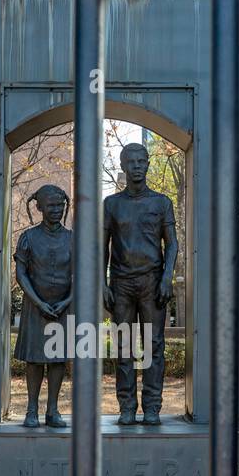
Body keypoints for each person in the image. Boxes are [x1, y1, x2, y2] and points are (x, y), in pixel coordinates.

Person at [103, 142, 178, 425]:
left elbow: (172, 245)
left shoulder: (162, 203)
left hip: (152, 282)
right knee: (123, 347)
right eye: (130, 162)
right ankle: (126, 407)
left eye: (141, 161)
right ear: (122, 166)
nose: (136, 166)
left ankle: (152, 407)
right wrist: (102, 283)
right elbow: (102, 248)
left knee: (154, 346)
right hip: (121, 283)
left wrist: (167, 277)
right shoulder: (111, 204)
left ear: (148, 164)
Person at [14, 184, 72, 428]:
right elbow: (21, 274)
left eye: (60, 205)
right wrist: (38, 302)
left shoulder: (73, 239)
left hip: (63, 307)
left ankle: (53, 410)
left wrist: (66, 302)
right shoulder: (28, 238)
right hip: (35, 307)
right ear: (39, 207)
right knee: (35, 359)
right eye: (51, 206)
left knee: (58, 359)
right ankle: (31, 410)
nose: (57, 210)